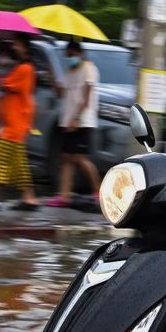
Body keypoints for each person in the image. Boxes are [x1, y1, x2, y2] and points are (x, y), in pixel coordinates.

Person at [0, 34, 39, 211]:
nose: (14, 48)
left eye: (16, 44)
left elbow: (2, 86)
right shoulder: (21, 69)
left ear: (24, 47)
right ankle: (29, 198)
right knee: (19, 166)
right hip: (14, 125)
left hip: (14, 127)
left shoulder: (25, 69)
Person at [46, 40, 102, 207]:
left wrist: (77, 118)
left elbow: (87, 97)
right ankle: (64, 196)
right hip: (68, 121)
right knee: (66, 158)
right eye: (67, 56)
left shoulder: (89, 69)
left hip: (83, 121)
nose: (69, 58)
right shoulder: (69, 71)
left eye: (71, 55)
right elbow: (61, 93)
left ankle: (98, 192)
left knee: (80, 158)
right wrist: (52, 80)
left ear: (79, 54)